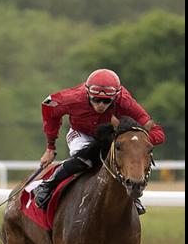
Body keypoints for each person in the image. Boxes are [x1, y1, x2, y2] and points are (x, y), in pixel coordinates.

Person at [32, 68, 165, 214]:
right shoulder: (72, 98)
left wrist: (134, 142)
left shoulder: (125, 101)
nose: (101, 105)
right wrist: (50, 147)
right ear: (87, 93)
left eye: (107, 101)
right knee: (85, 160)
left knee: (118, 161)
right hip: (80, 133)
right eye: (96, 99)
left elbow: (157, 132)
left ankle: (132, 197)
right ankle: (47, 185)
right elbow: (48, 106)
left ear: (116, 97)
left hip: (107, 135)